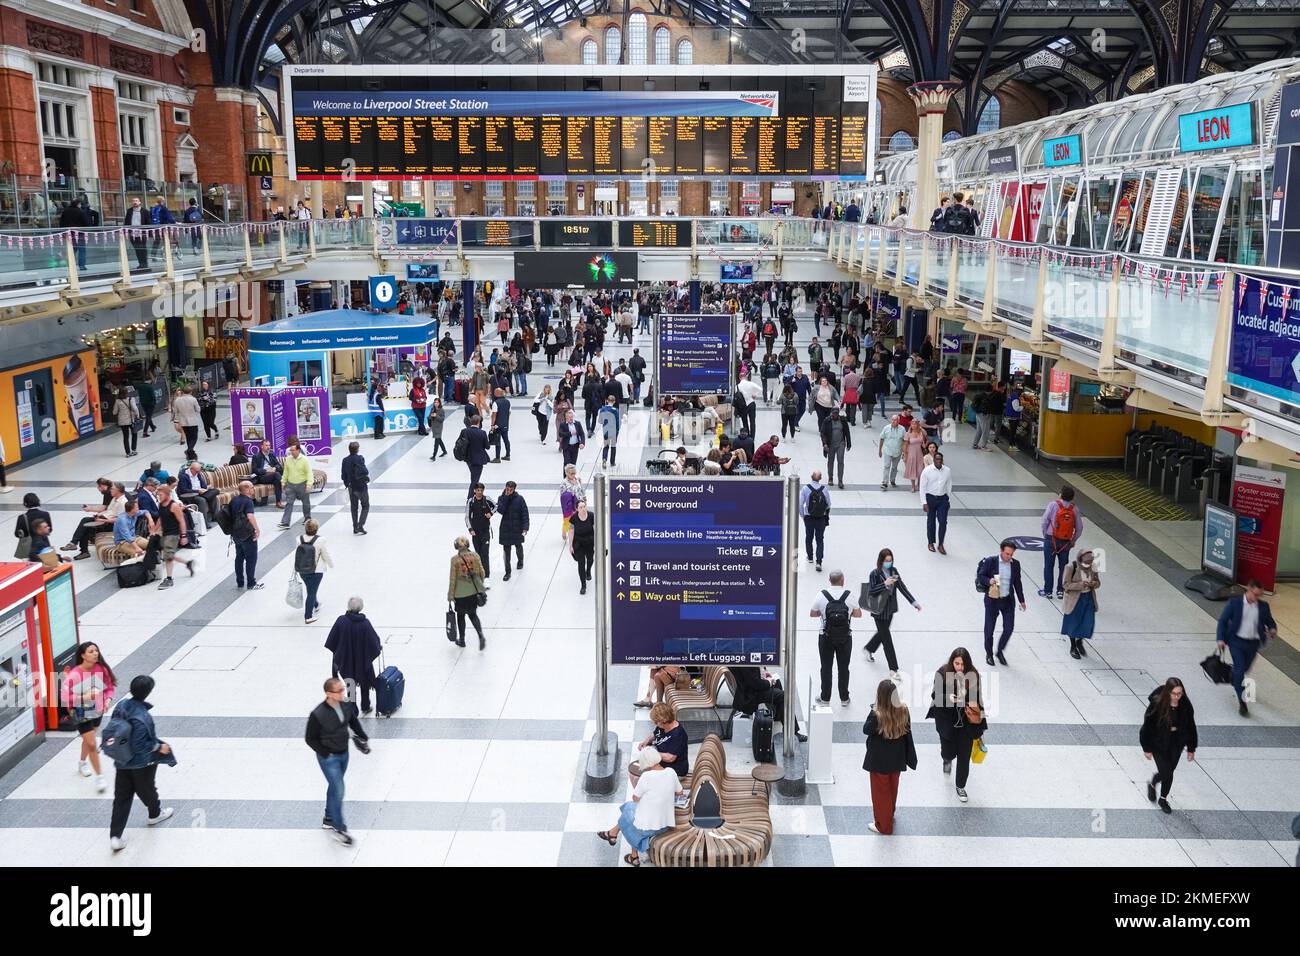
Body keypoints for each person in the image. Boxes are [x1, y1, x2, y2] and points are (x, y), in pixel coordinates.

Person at [106, 675, 176, 851]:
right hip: (140, 764)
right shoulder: (143, 716)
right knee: (147, 790)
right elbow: (139, 745)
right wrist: (159, 747)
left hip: (122, 760)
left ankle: (115, 836)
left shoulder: (121, 705)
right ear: (148, 693)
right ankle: (155, 813)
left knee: (121, 798)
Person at [304, 677, 369, 846]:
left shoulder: (345, 704)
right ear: (328, 694)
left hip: (344, 753)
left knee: (334, 786)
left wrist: (362, 736)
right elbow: (310, 738)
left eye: (343, 689)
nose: (343, 692)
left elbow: (353, 720)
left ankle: (328, 817)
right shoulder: (318, 714)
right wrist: (326, 753)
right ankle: (339, 828)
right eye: (339, 690)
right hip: (329, 758)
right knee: (339, 789)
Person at [595, 747, 682, 867]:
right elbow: (679, 793)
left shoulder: (646, 777)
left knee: (628, 810)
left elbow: (635, 798)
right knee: (632, 813)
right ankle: (617, 839)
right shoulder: (671, 772)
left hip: (650, 827)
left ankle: (615, 837)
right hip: (665, 825)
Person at [925, 647, 985, 803]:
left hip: (966, 724)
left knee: (964, 757)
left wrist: (966, 698)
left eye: (963, 664)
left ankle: (960, 786)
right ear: (952, 662)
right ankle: (947, 759)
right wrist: (948, 698)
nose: (960, 667)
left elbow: (979, 700)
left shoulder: (973, 675)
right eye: (957, 663)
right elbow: (935, 696)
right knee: (948, 751)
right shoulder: (942, 672)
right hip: (946, 720)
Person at [862, 679, 918, 834]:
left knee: (881, 793)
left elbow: (866, 730)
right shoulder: (904, 710)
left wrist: (873, 709)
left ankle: (883, 825)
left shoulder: (877, 715)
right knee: (893, 788)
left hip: (879, 760)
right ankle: (889, 814)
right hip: (897, 758)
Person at [1215, 579, 1278, 717]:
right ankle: (1242, 702)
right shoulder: (1235, 603)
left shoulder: (1263, 606)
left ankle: (1233, 674)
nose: (1257, 598)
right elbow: (1223, 620)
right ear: (1248, 589)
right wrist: (1220, 638)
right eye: (1255, 594)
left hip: (1253, 644)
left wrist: (1272, 629)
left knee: (1244, 668)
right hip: (1236, 642)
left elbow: (1269, 620)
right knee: (1240, 670)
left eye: (1259, 595)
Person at [63, 641, 116, 794]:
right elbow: (66, 697)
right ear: (82, 655)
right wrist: (84, 696)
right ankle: (100, 777)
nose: (95, 653)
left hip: (97, 710)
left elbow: (110, 687)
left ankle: (82, 762)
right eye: (91, 651)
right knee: (92, 743)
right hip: (80, 712)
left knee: (89, 740)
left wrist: (107, 699)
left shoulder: (102, 669)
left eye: (96, 650)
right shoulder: (74, 675)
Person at [1140, 678, 1197, 815]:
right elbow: (1146, 727)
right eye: (1174, 694)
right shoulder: (1157, 704)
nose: (1177, 697)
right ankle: (1155, 784)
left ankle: (1162, 797)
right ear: (1168, 693)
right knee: (1167, 773)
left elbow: (1191, 726)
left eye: (1180, 693)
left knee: (1169, 772)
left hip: (1176, 743)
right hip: (1158, 743)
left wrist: (1191, 748)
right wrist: (1146, 748)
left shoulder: (1185, 705)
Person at [863, 548, 921, 677]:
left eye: (890, 560)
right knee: (887, 639)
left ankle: (869, 648)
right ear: (881, 561)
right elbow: (871, 591)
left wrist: (913, 602)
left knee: (883, 634)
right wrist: (884, 584)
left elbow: (902, 587)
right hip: (879, 611)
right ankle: (893, 669)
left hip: (890, 610)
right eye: (886, 560)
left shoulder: (894, 572)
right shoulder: (875, 573)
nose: (889, 563)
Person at [810, 570, 863, 707]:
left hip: (825, 636)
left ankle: (825, 698)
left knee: (826, 668)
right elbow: (858, 614)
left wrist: (823, 613)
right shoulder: (849, 596)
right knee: (843, 668)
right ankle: (844, 698)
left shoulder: (821, 595)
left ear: (829, 580)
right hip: (845, 638)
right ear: (842, 580)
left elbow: (812, 613)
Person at [324, 596, 383, 714]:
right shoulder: (365, 624)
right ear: (361, 607)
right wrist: (378, 647)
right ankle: (365, 706)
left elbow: (332, 640)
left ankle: (353, 709)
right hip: (362, 661)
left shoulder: (341, 621)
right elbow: (374, 641)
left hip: (346, 660)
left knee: (350, 683)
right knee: (365, 682)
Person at [976, 540, 1026, 666]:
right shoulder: (991, 561)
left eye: (1011, 554)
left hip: (1007, 601)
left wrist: (1022, 600)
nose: (1009, 557)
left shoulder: (1015, 564)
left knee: (1009, 628)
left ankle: (1000, 651)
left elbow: (1017, 583)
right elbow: (981, 576)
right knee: (989, 629)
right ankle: (989, 654)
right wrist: (989, 581)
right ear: (1001, 551)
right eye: (1007, 554)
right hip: (992, 600)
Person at [628, 702, 689, 785]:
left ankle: (645, 796)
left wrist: (651, 753)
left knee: (639, 778)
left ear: (663, 721)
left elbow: (670, 758)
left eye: (656, 722)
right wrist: (646, 741)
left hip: (674, 771)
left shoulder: (678, 734)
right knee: (634, 773)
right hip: (661, 764)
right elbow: (655, 734)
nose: (655, 724)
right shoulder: (663, 726)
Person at [1040, 485, 1083, 599]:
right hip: (1066, 542)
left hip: (1051, 539)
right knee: (1063, 567)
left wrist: (1045, 533)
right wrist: (1073, 539)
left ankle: (1048, 591)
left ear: (1060, 494)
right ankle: (1061, 590)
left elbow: (1044, 521)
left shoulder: (1053, 505)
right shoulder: (1074, 509)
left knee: (1049, 566)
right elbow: (1079, 528)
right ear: (1072, 497)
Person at [1061, 549, 1101, 659]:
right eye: (1086, 563)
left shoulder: (1093, 567)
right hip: (1075, 599)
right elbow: (1065, 585)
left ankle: (1080, 640)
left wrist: (1093, 584)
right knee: (1073, 624)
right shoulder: (1071, 567)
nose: (1088, 565)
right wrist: (1080, 585)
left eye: (1090, 563)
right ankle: (1073, 646)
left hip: (1088, 598)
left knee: (1088, 622)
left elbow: (1098, 582)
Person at [448, 536, 487, 649]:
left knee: (460, 616)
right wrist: (478, 586)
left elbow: (452, 579)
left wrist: (450, 595)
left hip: (460, 594)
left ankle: (462, 640)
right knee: (473, 614)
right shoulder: (475, 556)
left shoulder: (455, 560)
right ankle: (480, 635)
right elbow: (482, 573)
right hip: (472, 592)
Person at [153, 485, 195, 589]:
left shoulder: (174, 506)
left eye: (161, 495)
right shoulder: (161, 504)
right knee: (168, 554)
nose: (159, 497)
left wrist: (184, 535)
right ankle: (188, 563)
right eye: (158, 495)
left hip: (173, 533)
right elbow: (160, 518)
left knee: (168, 556)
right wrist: (154, 529)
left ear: (167, 494)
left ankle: (169, 578)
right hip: (165, 533)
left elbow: (181, 521)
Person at [297, 519, 334, 624]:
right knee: (312, 592)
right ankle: (308, 616)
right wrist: (331, 565)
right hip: (316, 571)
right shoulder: (320, 540)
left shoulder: (299, 539)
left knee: (310, 588)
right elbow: (325, 554)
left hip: (302, 570)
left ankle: (316, 604)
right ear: (316, 529)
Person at [230, 479, 263, 591]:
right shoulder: (248, 501)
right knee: (251, 558)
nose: (253, 489)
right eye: (251, 487)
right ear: (247, 489)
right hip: (247, 534)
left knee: (239, 557)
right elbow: (250, 516)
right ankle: (251, 583)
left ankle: (240, 582)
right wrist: (257, 529)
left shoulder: (234, 499)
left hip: (236, 533)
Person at [918, 450, 952, 553]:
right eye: (937, 459)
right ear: (933, 460)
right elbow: (922, 487)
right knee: (931, 521)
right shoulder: (927, 471)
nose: (938, 461)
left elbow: (949, 484)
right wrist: (924, 502)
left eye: (940, 459)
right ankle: (930, 542)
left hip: (942, 499)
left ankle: (941, 544)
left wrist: (948, 498)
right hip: (930, 498)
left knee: (943, 522)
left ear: (942, 460)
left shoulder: (947, 470)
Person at [495, 480, 529, 581]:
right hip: (506, 527)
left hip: (517, 527)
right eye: (507, 489)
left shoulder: (519, 499)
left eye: (511, 489)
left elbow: (524, 513)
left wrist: (525, 527)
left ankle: (520, 560)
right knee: (506, 550)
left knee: (518, 545)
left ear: (514, 489)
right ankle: (507, 572)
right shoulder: (501, 498)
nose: (509, 491)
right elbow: (500, 511)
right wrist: (505, 498)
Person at [799, 471, 831, 572]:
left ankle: (810, 557)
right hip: (821, 518)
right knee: (820, 539)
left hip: (809, 517)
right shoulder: (824, 489)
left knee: (809, 537)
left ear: (811, 477)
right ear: (820, 478)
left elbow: (800, 503)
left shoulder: (805, 488)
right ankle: (819, 562)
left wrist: (803, 515)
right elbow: (829, 504)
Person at [278, 442, 314, 528]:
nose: (291, 452)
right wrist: (283, 482)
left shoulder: (304, 460)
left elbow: (309, 472)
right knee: (289, 503)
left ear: (298, 450)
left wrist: (309, 484)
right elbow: (286, 472)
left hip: (302, 484)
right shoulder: (288, 459)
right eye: (290, 450)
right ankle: (285, 522)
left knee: (305, 503)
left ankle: (307, 518)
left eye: (293, 450)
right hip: (290, 485)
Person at [465, 482, 495, 579]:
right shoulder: (471, 501)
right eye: (478, 490)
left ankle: (486, 576)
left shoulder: (487, 499)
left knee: (485, 554)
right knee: (478, 554)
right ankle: (479, 573)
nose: (480, 492)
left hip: (485, 531)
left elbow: (496, 506)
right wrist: (470, 529)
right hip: (475, 532)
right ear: (474, 491)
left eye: (481, 490)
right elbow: (467, 517)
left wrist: (490, 513)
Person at [820, 405, 852, 489]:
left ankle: (840, 480)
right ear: (831, 413)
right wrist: (824, 444)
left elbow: (847, 432)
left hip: (841, 443)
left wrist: (849, 443)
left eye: (836, 413)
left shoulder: (843, 420)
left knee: (840, 461)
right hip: (830, 444)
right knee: (830, 461)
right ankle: (830, 478)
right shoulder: (827, 420)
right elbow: (822, 433)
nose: (835, 415)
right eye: (834, 413)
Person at [568, 496, 595, 594]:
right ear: (576, 509)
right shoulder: (574, 518)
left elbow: (596, 529)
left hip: (590, 541)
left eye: (584, 506)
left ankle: (588, 571)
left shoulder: (591, 516)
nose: (583, 509)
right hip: (578, 542)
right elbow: (571, 531)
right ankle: (583, 585)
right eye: (581, 507)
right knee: (581, 563)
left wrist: (598, 543)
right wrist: (570, 545)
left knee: (590, 559)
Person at [251, 440, 284, 508]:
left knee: (276, 480)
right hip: (262, 477)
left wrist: (274, 468)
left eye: (269, 445)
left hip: (272, 475)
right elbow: (255, 470)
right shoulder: (256, 456)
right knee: (276, 475)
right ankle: (283, 483)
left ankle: (278, 502)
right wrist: (266, 471)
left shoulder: (271, 454)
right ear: (262, 446)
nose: (268, 447)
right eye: (266, 445)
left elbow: (278, 465)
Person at [878, 414, 905, 491]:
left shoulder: (902, 429)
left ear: (899, 421)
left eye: (896, 420)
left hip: (898, 451)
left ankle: (892, 480)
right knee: (886, 466)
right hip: (887, 450)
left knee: (894, 467)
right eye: (893, 420)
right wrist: (880, 450)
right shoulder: (886, 428)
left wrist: (904, 452)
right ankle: (885, 482)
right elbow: (882, 439)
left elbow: (904, 441)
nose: (894, 421)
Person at [110, 387, 140, 457]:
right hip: (131, 420)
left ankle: (128, 452)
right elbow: (135, 408)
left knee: (125, 437)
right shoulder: (131, 399)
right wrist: (137, 416)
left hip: (122, 422)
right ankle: (134, 450)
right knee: (134, 434)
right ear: (127, 393)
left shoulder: (117, 401)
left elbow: (114, 412)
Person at [172, 386, 201, 455]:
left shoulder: (177, 400)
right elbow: (198, 409)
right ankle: (189, 450)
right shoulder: (193, 399)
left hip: (183, 421)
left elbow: (175, 411)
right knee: (194, 437)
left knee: (188, 437)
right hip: (192, 421)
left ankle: (190, 451)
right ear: (191, 392)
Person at [556, 409, 586, 478]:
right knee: (567, 463)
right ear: (566, 417)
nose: (570, 419)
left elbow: (582, 434)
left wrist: (582, 443)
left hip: (575, 446)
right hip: (567, 447)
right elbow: (560, 434)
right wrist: (570, 433)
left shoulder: (577, 423)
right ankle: (565, 478)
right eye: (569, 417)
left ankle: (572, 477)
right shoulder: (563, 424)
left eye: (571, 417)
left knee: (573, 463)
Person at [489, 387, 512, 463]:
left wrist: (492, 425)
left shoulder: (496, 403)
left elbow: (494, 414)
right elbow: (509, 412)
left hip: (497, 425)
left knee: (497, 441)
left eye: (495, 392)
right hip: (505, 424)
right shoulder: (508, 402)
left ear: (498, 394)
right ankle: (508, 455)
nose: (494, 393)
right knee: (506, 440)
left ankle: (497, 458)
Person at [597, 395, 620, 468]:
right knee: (613, 447)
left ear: (607, 401)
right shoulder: (615, 410)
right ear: (614, 401)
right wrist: (617, 430)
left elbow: (600, 421)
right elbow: (617, 422)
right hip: (613, 430)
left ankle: (604, 459)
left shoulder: (602, 409)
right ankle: (612, 462)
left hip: (605, 430)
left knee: (606, 446)